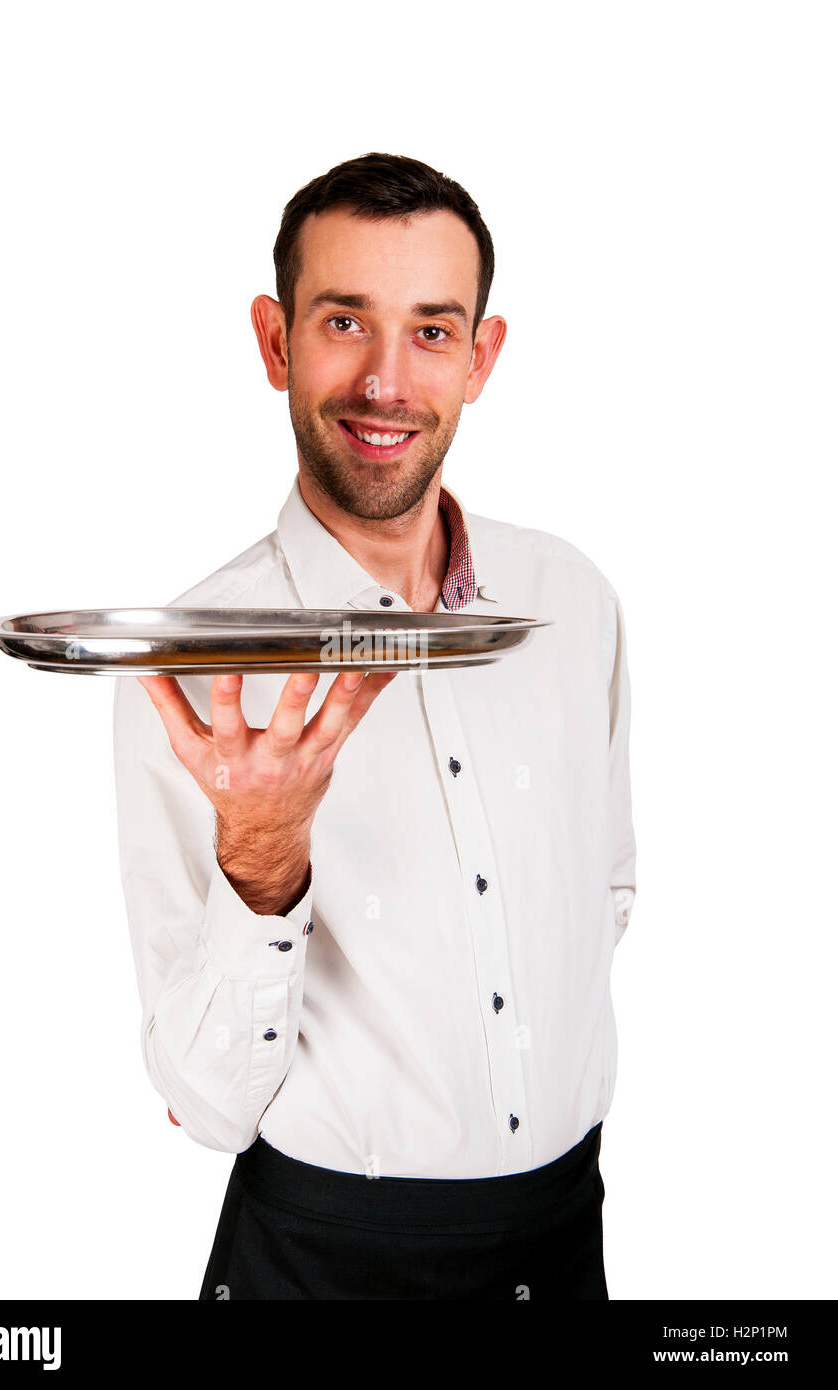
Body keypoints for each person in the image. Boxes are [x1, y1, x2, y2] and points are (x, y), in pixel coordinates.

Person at [112, 152, 636, 1301]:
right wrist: (262, 865)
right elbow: (202, 1104)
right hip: (323, 1260)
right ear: (275, 341)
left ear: (481, 357)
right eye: (344, 320)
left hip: (563, 1239)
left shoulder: (574, 600)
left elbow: (600, 896)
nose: (386, 381)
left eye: (432, 331)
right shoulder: (195, 665)